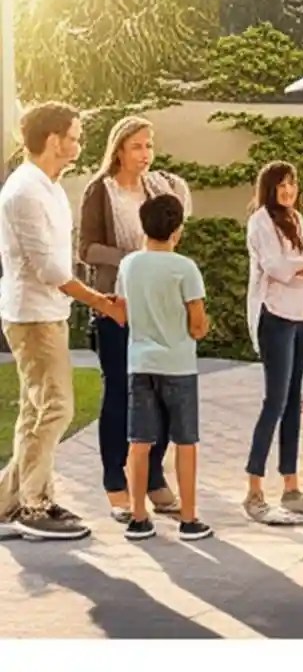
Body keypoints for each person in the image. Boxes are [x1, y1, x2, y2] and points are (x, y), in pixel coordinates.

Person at [0, 102, 126, 540]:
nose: (78, 142)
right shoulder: (24, 192)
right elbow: (48, 271)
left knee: (35, 411)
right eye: (73, 135)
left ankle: (8, 503)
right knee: (57, 408)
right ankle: (34, 506)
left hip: (48, 312)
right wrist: (102, 302)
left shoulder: (51, 187)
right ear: (54, 140)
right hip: (31, 315)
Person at [78, 115, 193, 522]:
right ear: (119, 149)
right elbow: (86, 250)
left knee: (159, 394)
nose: (145, 154)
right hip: (117, 307)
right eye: (137, 147)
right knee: (120, 396)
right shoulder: (100, 190)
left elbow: (178, 224)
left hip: (156, 307)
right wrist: (131, 260)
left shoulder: (158, 187)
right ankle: (116, 482)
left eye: (149, 146)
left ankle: (153, 478)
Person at [113, 194, 213, 541]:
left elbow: (122, 312)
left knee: (139, 442)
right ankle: (188, 519)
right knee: (186, 442)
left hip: (140, 365)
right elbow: (197, 325)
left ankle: (138, 517)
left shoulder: (128, 265)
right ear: (178, 230)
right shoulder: (185, 268)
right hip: (179, 366)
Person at [243, 161, 303, 524]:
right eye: (281, 184)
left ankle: (291, 488)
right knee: (274, 401)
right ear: (269, 188)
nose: (288, 190)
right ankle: (253, 491)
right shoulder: (260, 221)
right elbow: (277, 267)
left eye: (292, 183)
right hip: (274, 317)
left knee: (295, 402)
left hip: (302, 317)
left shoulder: (295, 219)